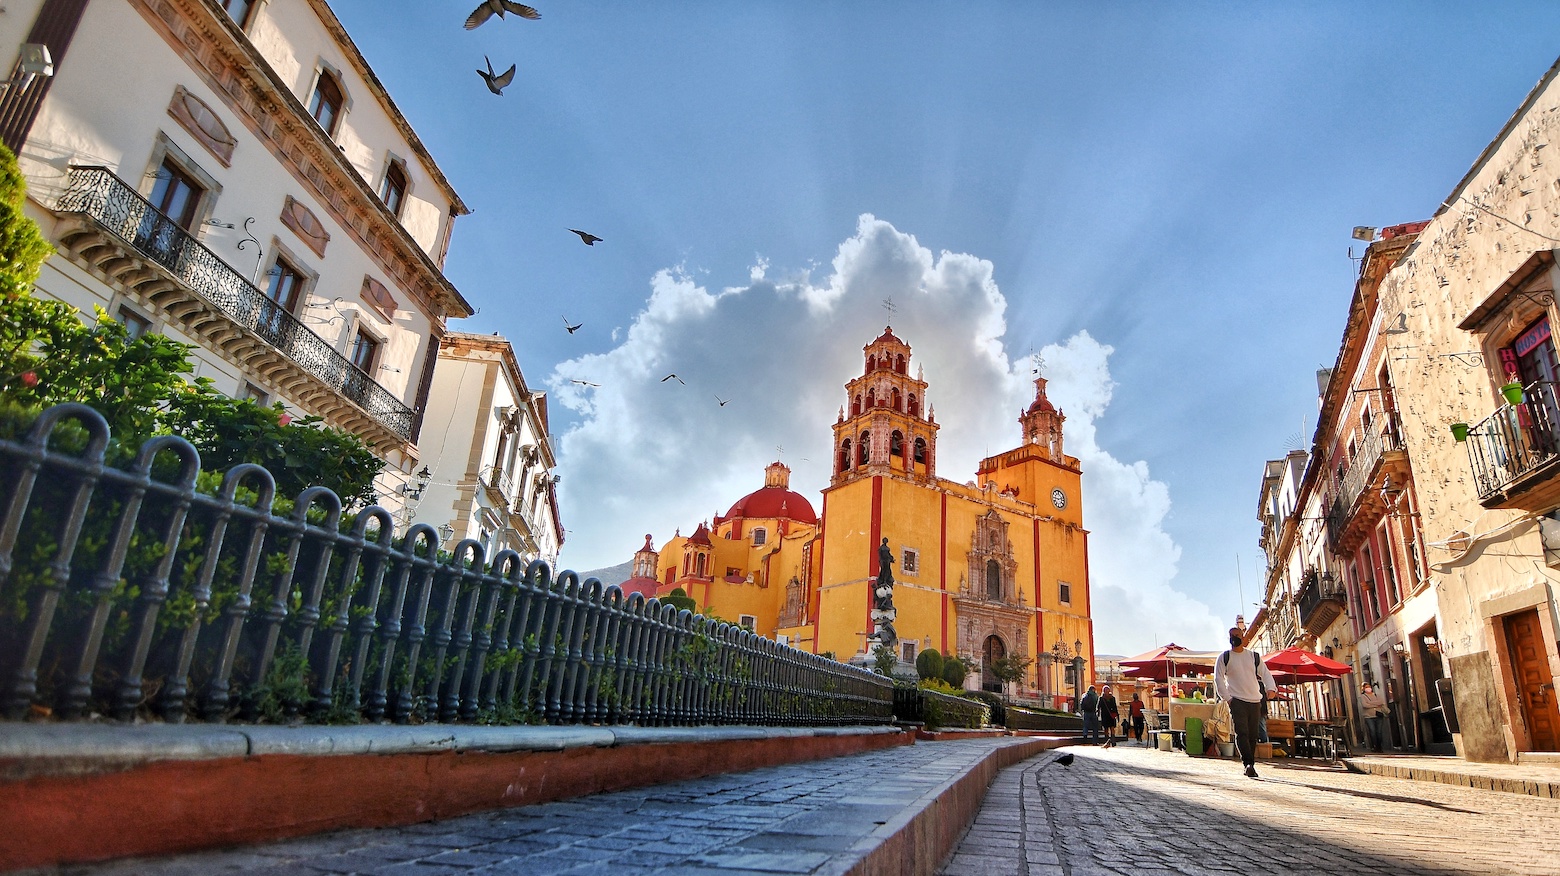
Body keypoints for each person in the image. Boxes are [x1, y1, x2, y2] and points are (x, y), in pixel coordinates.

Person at [1213, 626, 1278, 779]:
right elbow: (1218, 679)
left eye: (1237, 635)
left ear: (1243, 636)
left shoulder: (1253, 657)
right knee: (1241, 732)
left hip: (1255, 700)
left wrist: (1271, 688)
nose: (1234, 637)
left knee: (1253, 735)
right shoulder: (1224, 657)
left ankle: (1251, 764)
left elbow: (1266, 673)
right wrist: (1228, 699)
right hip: (1237, 700)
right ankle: (1248, 764)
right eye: (1231, 635)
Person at [1361, 682, 1389, 752]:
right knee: (1372, 731)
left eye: (1369, 686)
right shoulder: (1363, 696)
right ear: (1363, 688)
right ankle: (1374, 746)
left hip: (1378, 715)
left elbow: (1381, 702)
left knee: (1379, 732)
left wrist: (1370, 703)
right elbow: (1365, 705)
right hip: (1368, 717)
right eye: (1366, 687)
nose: (1368, 688)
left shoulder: (1376, 695)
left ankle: (1379, 747)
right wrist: (1376, 705)